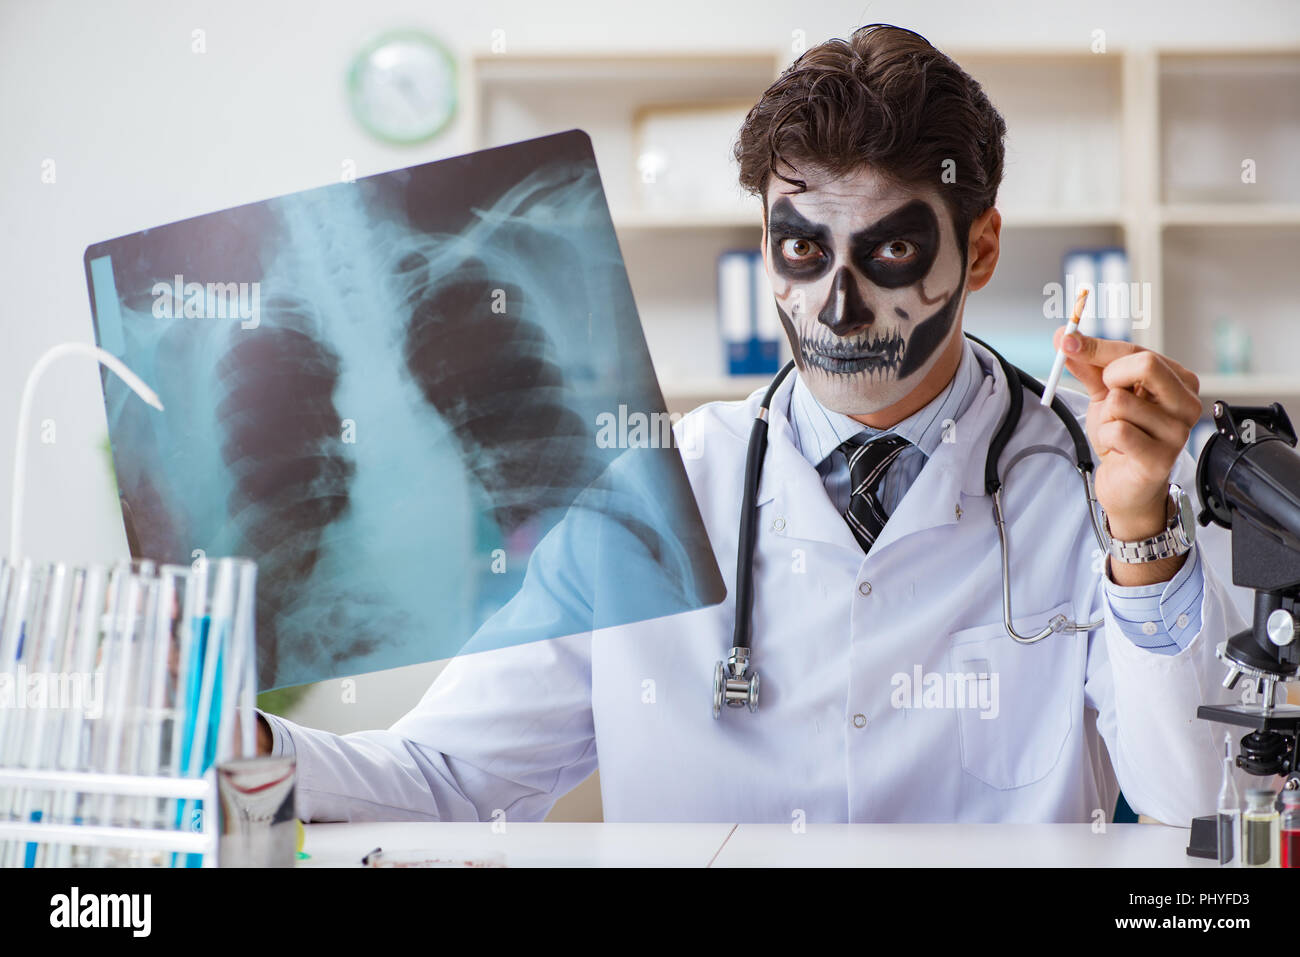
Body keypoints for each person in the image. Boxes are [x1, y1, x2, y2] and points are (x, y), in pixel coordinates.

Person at [254, 24, 1245, 826]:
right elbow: (446, 774)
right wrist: (250, 750)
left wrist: (1140, 535)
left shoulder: (1100, 479)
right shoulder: (652, 493)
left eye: (892, 249)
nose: (836, 308)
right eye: (801, 249)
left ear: (979, 248)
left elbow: (1190, 801)